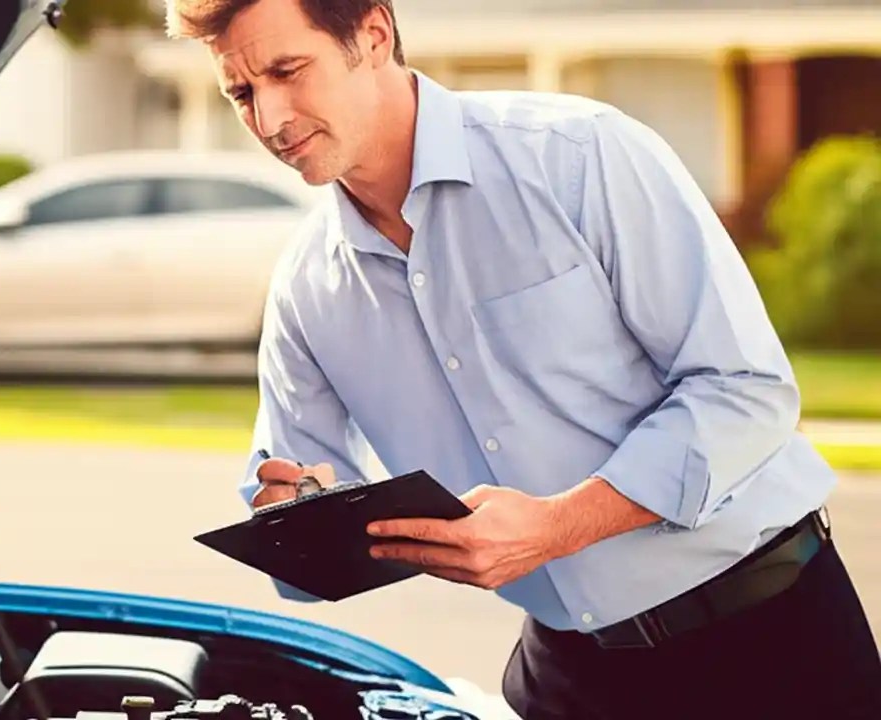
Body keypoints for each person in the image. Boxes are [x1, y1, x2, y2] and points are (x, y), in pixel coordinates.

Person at [163, 0, 881, 718]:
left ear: (373, 35)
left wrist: (559, 525)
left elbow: (745, 393)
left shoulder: (580, 157)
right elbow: (299, 498)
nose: (270, 119)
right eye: (243, 93)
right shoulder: (305, 287)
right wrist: (298, 512)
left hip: (769, 644)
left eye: (289, 71)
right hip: (566, 676)